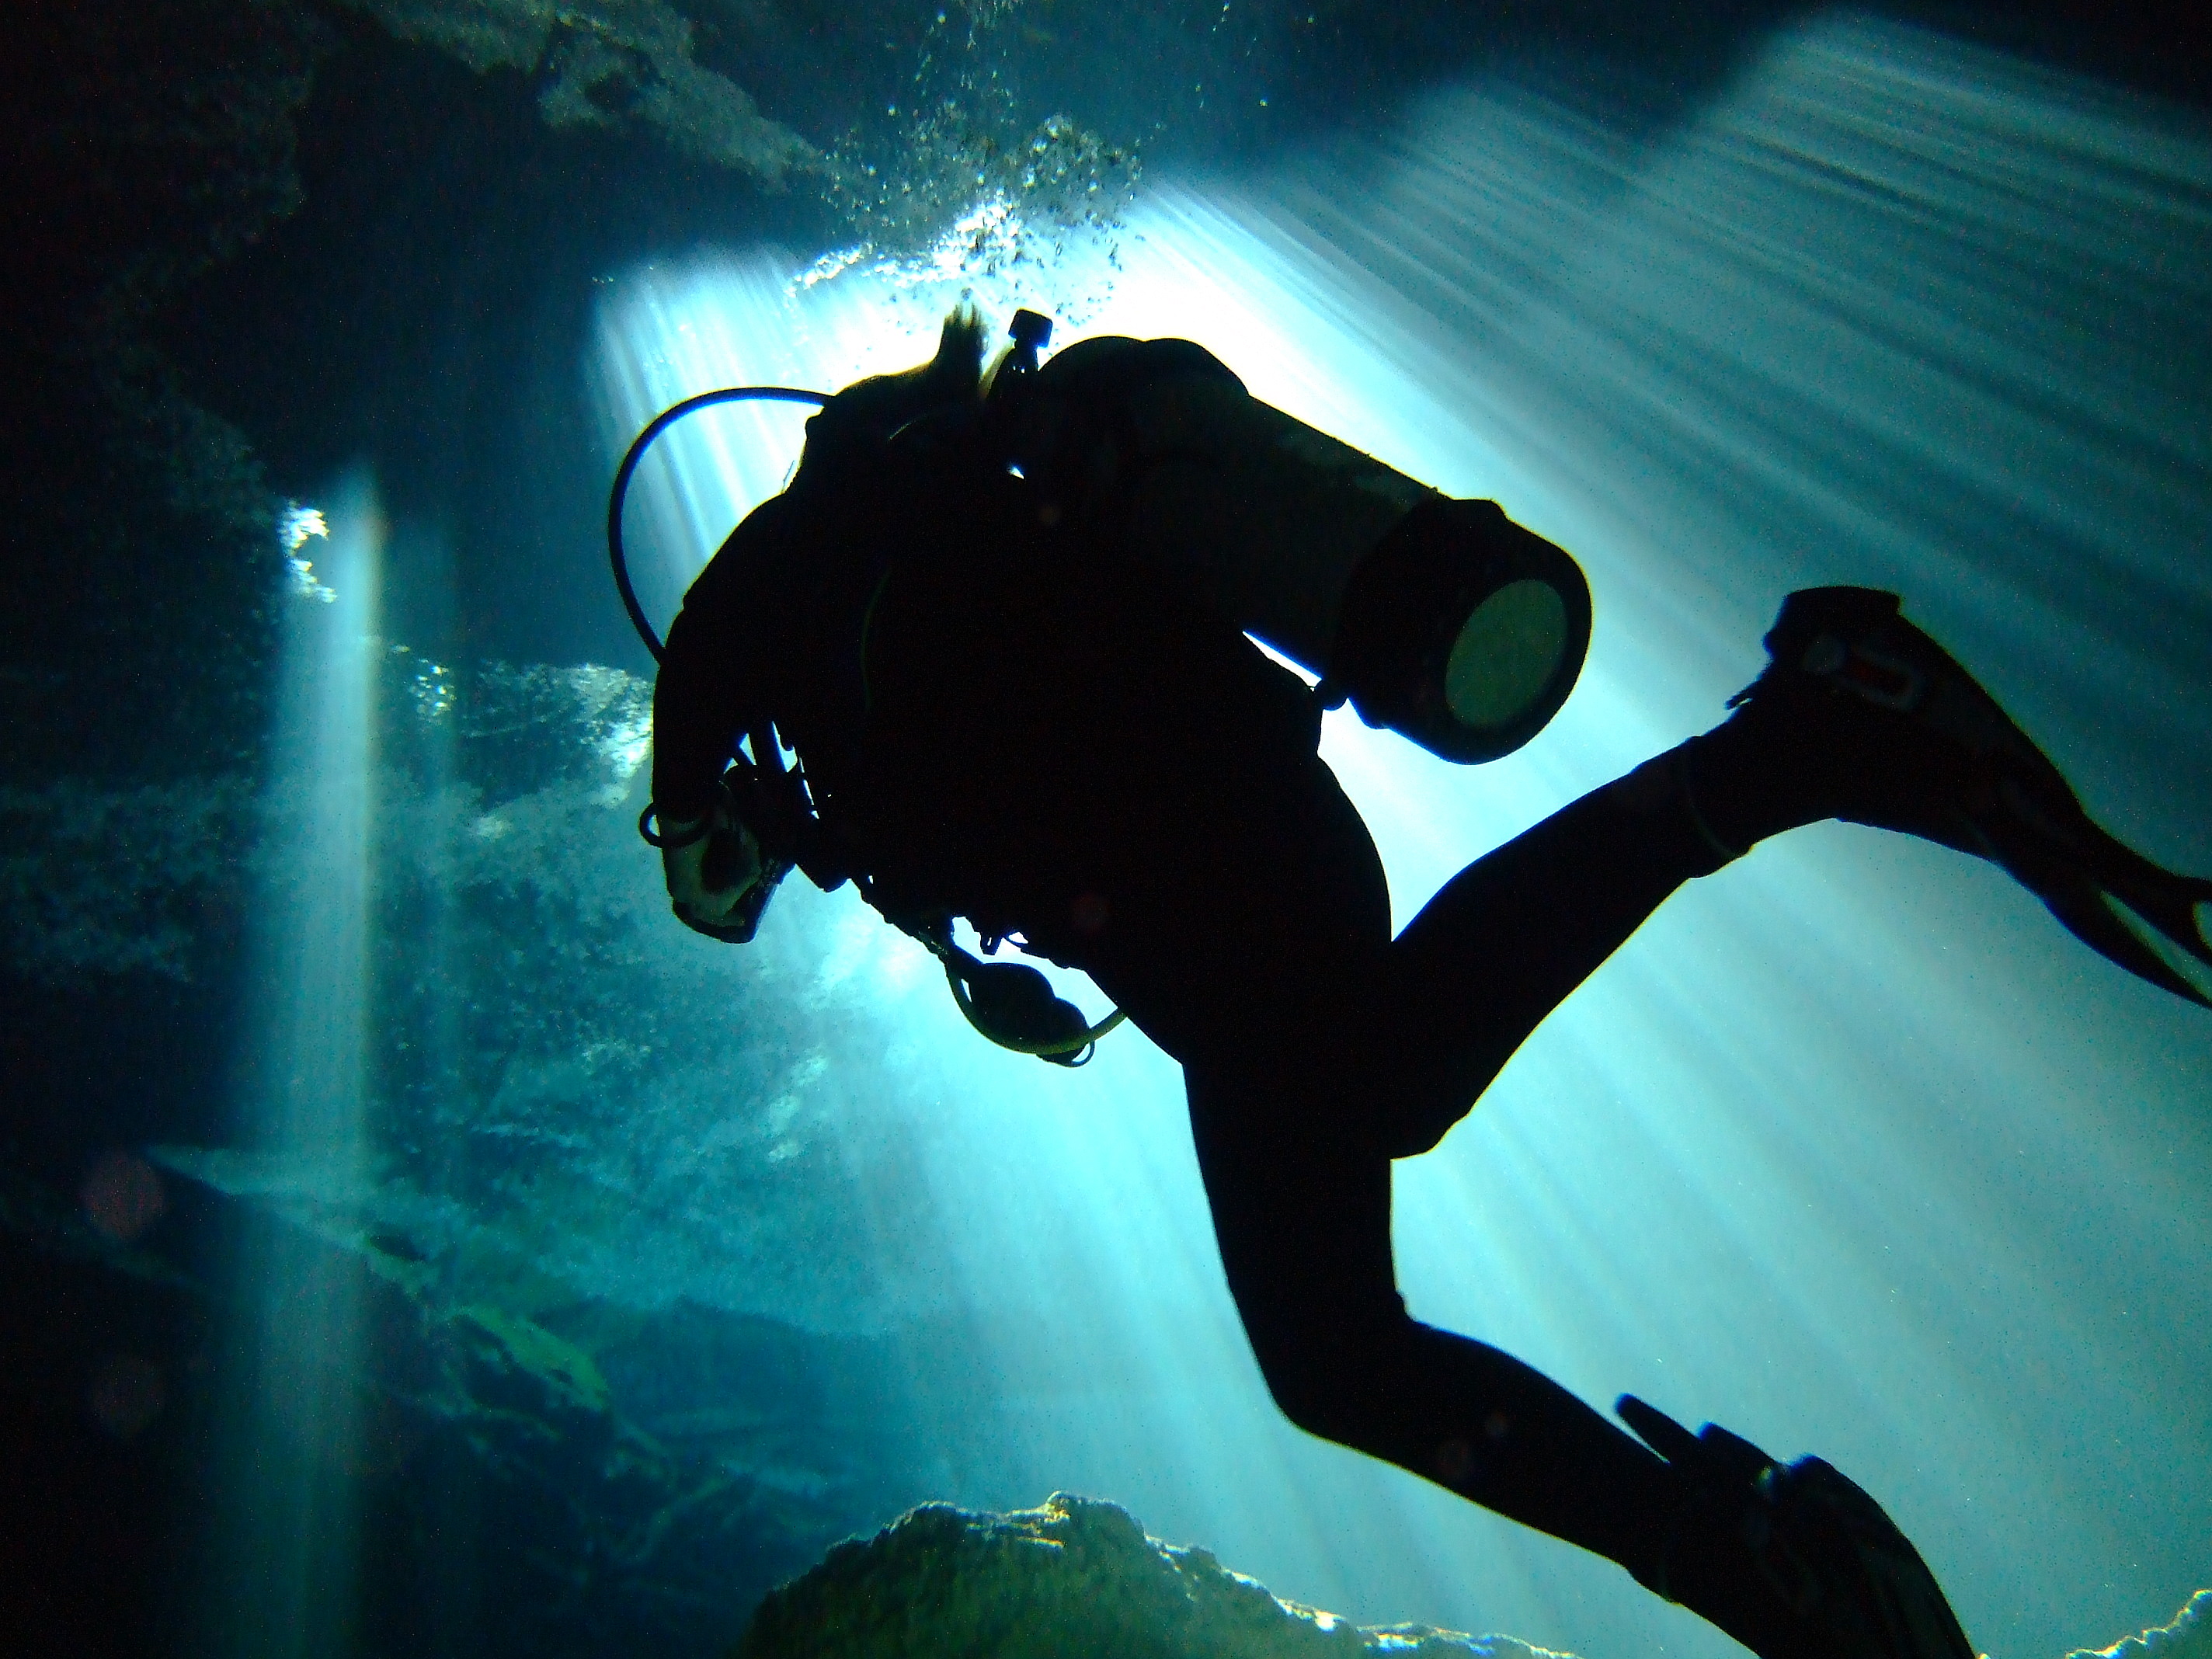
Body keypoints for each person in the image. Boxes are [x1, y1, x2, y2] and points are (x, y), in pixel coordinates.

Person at [644, 311, 2211, 1659]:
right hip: (1206, 868)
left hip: (1199, 855)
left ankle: (1794, 745)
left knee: (1380, 1092)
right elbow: (933, 791)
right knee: (1331, 1356)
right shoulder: (892, 559)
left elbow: (703, 873)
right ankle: (1756, 1570)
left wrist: (726, 807)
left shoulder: (756, 603)